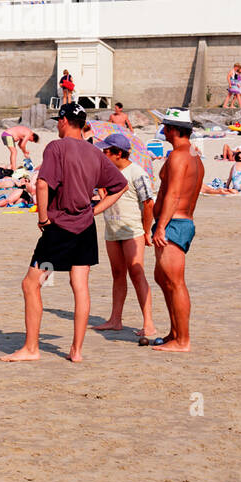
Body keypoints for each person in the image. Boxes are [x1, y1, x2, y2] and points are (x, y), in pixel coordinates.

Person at [1, 101, 127, 363]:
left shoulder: (56, 146)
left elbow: (44, 184)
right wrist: (95, 211)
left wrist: (43, 218)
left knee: (31, 283)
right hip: (85, 229)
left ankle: (32, 348)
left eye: (58, 121)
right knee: (80, 285)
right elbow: (120, 186)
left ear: (63, 121)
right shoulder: (94, 153)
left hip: (59, 229)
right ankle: (76, 350)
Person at [92, 133, 157, 340]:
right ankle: (115, 319)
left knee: (137, 274)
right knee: (117, 274)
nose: (103, 154)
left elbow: (149, 203)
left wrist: (147, 231)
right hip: (112, 230)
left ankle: (149, 323)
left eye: (107, 151)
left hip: (132, 231)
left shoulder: (136, 172)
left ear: (118, 153)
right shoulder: (106, 172)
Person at [149, 109, 204, 352]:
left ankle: (183, 341)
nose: (162, 130)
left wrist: (161, 226)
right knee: (163, 278)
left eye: (165, 126)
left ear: (172, 129)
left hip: (174, 223)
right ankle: (175, 333)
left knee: (175, 281)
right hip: (181, 221)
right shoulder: (193, 154)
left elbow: (173, 193)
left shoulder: (179, 155)